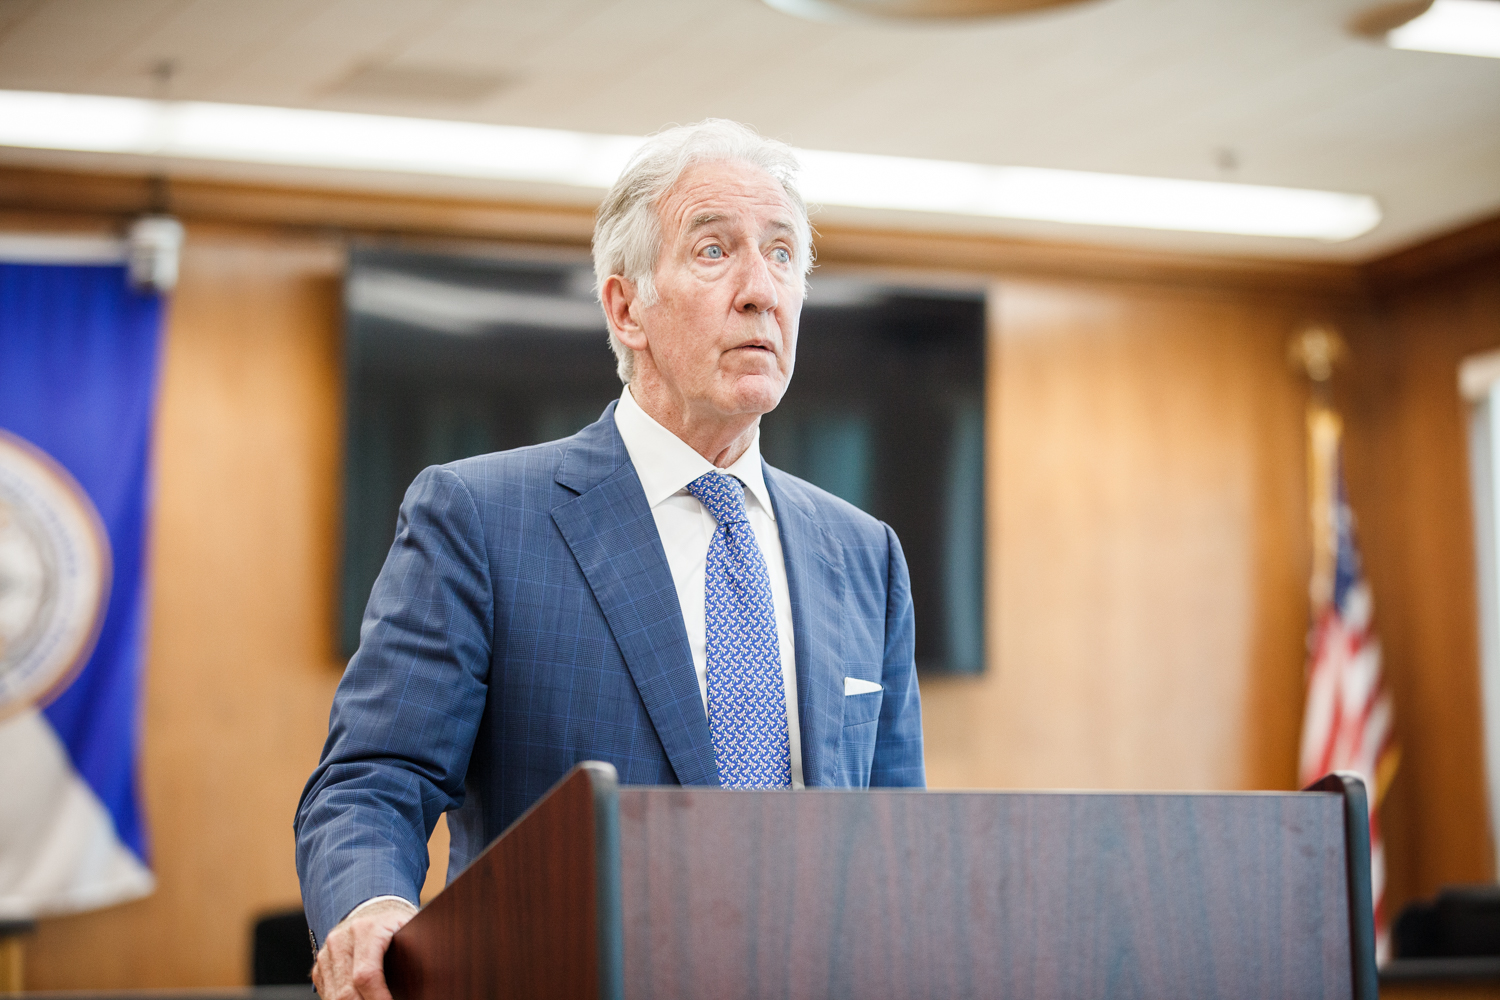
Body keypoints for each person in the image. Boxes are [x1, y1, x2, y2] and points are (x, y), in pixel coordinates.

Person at [294, 119, 925, 1000]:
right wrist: (373, 905)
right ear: (626, 308)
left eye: (782, 255)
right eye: (715, 251)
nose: (761, 290)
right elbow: (374, 778)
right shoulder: (481, 516)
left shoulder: (866, 555)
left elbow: (899, 840)